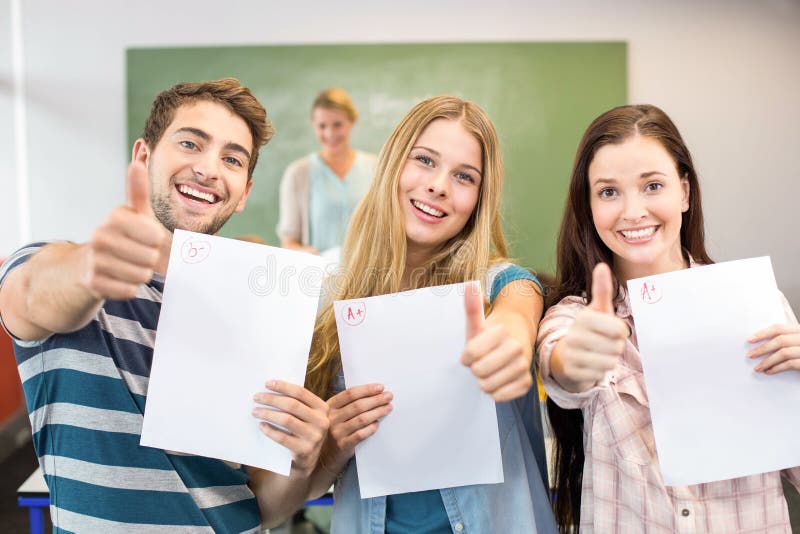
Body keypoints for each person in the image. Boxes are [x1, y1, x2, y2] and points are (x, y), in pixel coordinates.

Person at [0, 79, 330, 533]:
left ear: (245, 191)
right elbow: (33, 292)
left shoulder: (260, 315)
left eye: (231, 159)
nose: (209, 169)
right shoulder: (65, 270)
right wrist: (91, 267)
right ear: (144, 156)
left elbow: (260, 509)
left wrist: (298, 463)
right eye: (191, 142)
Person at [536, 104, 800, 533]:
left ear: (685, 193)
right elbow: (561, 369)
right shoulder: (574, 316)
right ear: (588, 207)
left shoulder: (755, 305)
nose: (633, 211)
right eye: (608, 192)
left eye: (652, 186)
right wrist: (577, 361)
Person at [301, 95, 557, 533]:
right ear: (393, 166)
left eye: (464, 176)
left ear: (479, 198)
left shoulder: (493, 285)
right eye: (424, 160)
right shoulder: (332, 303)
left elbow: (520, 295)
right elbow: (299, 489)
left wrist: (513, 331)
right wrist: (333, 448)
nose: (439, 185)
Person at [276, 88, 377, 255]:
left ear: (352, 121)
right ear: (313, 125)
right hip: (320, 277)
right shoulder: (298, 173)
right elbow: (288, 242)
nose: (330, 134)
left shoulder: (375, 167)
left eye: (337, 125)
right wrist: (305, 253)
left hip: (368, 276)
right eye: (322, 126)